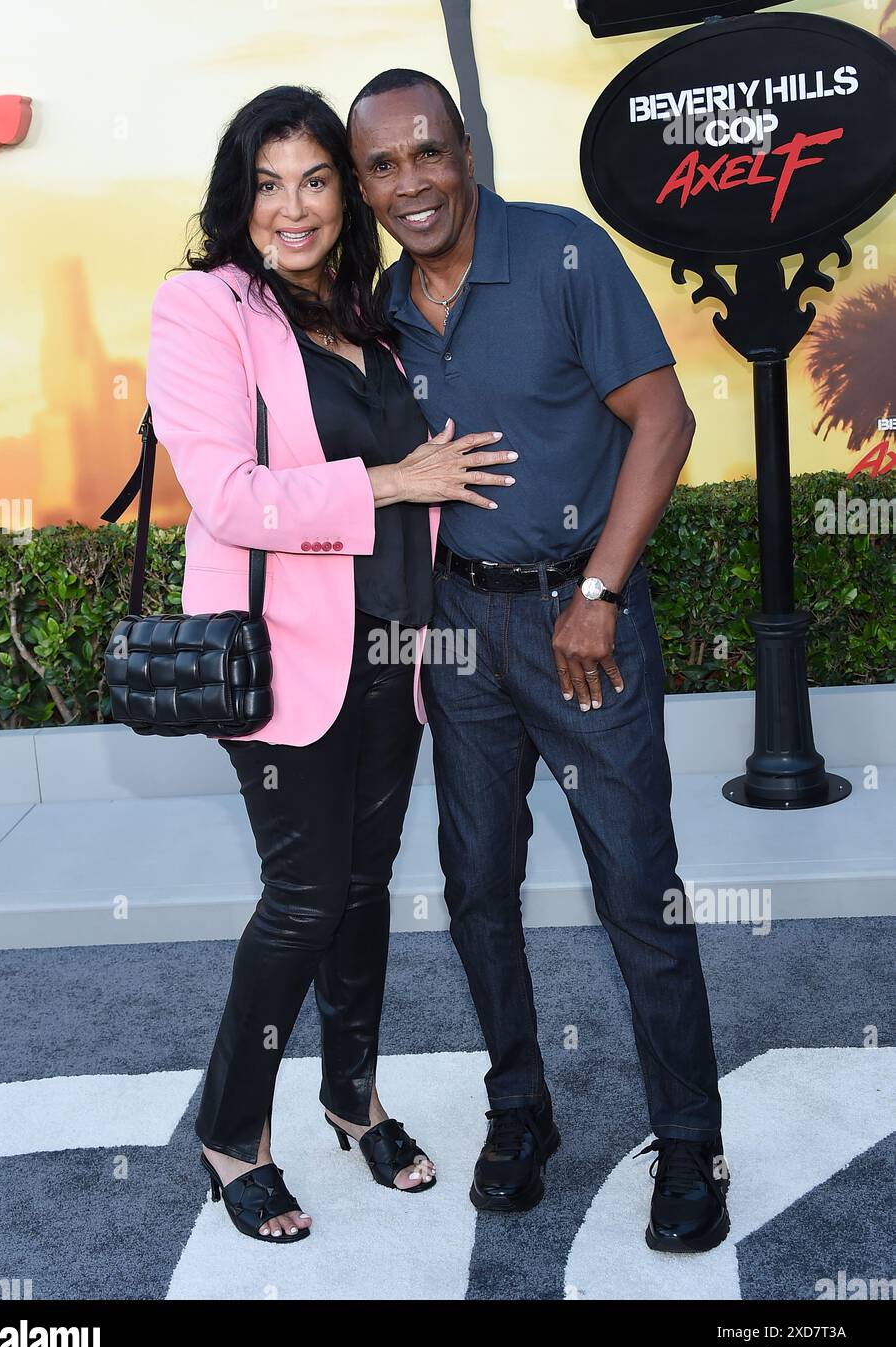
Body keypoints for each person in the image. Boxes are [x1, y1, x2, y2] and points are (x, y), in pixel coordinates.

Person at [348, 69, 730, 1252]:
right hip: (462, 637)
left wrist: (600, 593)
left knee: (636, 891)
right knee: (473, 885)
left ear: (465, 150)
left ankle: (686, 1143)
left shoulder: (561, 252)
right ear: (364, 185)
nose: (409, 182)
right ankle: (519, 1110)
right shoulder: (384, 306)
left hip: (583, 628)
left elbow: (663, 419)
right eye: (382, 166)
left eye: (427, 153)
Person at [146, 84, 516, 1242]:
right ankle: (229, 1128)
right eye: (267, 183)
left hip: (392, 656)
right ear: (235, 196)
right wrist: (395, 482)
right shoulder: (202, 307)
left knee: (361, 894)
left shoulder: (366, 315)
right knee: (302, 900)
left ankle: (352, 1099)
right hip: (283, 659)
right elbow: (229, 495)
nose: (292, 206)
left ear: (343, 194)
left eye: (314, 179)